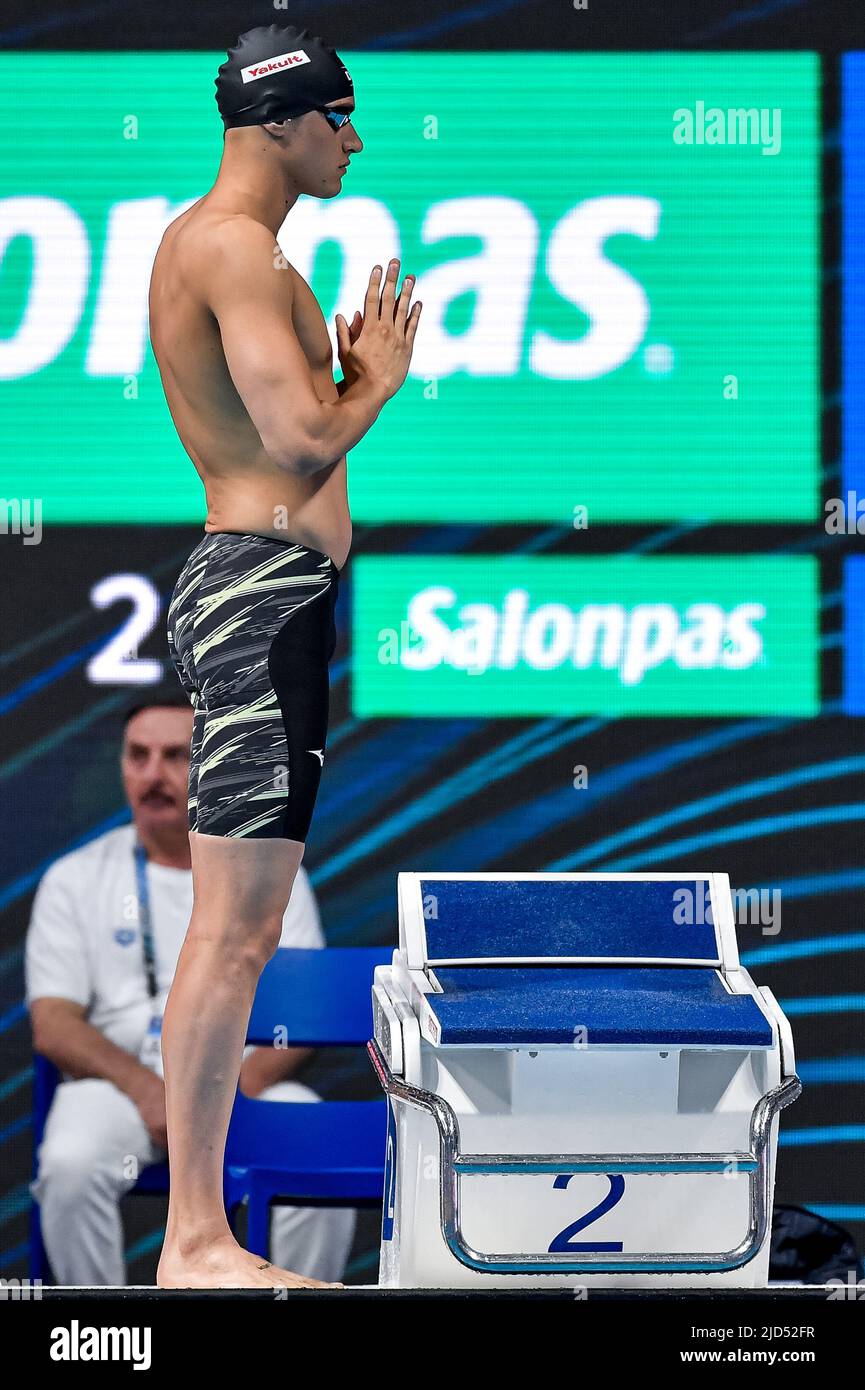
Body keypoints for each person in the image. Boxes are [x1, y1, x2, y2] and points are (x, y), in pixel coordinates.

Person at [148, 22, 421, 1287]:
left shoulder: (223, 247)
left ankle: (199, 1237)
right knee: (231, 935)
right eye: (339, 117)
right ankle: (196, 1240)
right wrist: (379, 379)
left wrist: (350, 381)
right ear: (281, 121)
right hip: (258, 594)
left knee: (237, 930)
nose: (353, 140)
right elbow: (303, 442)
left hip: (269, 595)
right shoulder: (232, 248)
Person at [26, 696, 355, 1286]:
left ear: (209, 764)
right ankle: (110, 1330)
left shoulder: (274, 876)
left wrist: (228, 1094)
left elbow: (305, 1016)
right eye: (139, 756)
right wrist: (151, 1092)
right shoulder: (74, 879)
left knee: (315, 1155)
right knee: (69, 1164)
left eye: (176, 756)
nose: (154, 775)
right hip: (123, 1090)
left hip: (241, 1084)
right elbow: (53, 1020)